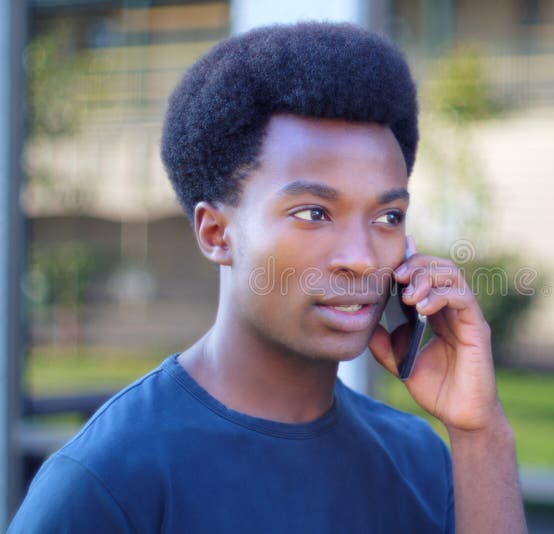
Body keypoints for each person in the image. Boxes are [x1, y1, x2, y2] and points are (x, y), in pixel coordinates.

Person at [10, 22, 525, 533]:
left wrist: (480, 433)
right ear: (216, 233)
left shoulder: (420, 462)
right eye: (313, 214)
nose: (364, 260)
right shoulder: (107, 483)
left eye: (388, 217)